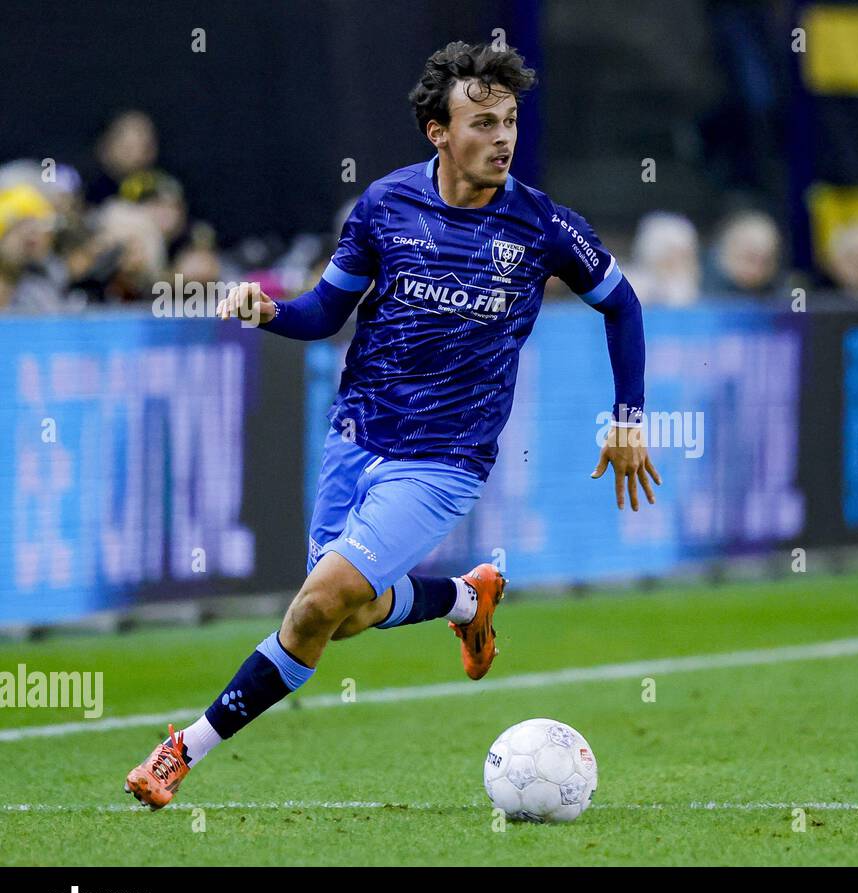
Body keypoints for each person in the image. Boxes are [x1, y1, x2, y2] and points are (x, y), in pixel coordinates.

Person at [124, 41, 661, 809]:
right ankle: (466, 600)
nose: (503, 137)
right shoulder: (385, 206)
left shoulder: (541, 225)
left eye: (509, 120)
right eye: (483, 122)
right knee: (343, 620)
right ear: (438, 131)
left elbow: (623, 304)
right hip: (355, 436)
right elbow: (324, 313)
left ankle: (181, 750)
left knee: (314, 605)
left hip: (445, 458)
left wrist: (629, 420)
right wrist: (270, 310)